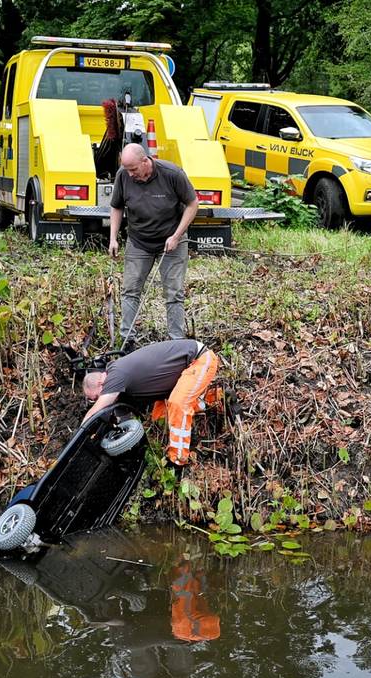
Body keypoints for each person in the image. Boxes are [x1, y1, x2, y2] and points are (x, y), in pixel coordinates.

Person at [110, 144, 200, 343]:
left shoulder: (172, 174)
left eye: (133, 169)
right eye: (127, 170)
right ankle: (127, 341)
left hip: (172, 240)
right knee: (130, 290)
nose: (130, 174)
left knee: (174, 292)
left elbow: (193, 204)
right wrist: (113, 238)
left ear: (146, 161)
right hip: (139, 241)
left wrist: (177, 236)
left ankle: (176, 342)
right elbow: (116, 207)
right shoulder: (123, 176)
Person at [82, 339, 221, 466]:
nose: (96, 401)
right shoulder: (120, 388)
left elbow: (97, 410)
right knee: (159, 419)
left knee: (178, 404)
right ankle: (217, 398)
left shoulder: (116, 375)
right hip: (180, 377)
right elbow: (124, 423)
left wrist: (80, 434)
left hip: (198, 359)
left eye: (95, 398)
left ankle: (178, 460)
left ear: (101, 383)